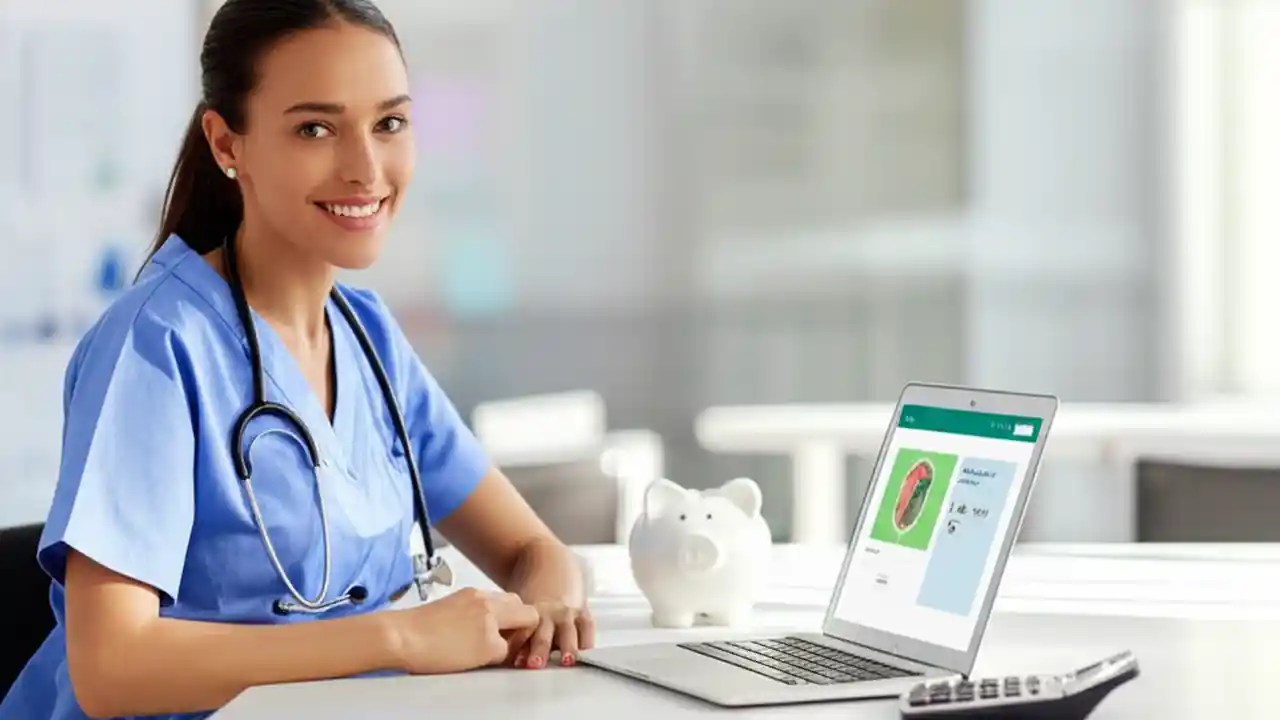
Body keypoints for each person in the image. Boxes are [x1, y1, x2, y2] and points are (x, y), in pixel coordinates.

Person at [0, 2, 593, 718]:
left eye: (390, 123)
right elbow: (111, 668)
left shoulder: (369, 338)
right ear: (228, 145)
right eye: (315, 128)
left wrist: (553, 603)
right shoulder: (157, 345)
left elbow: (531, 546)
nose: (366, 168)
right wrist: (400, 636)